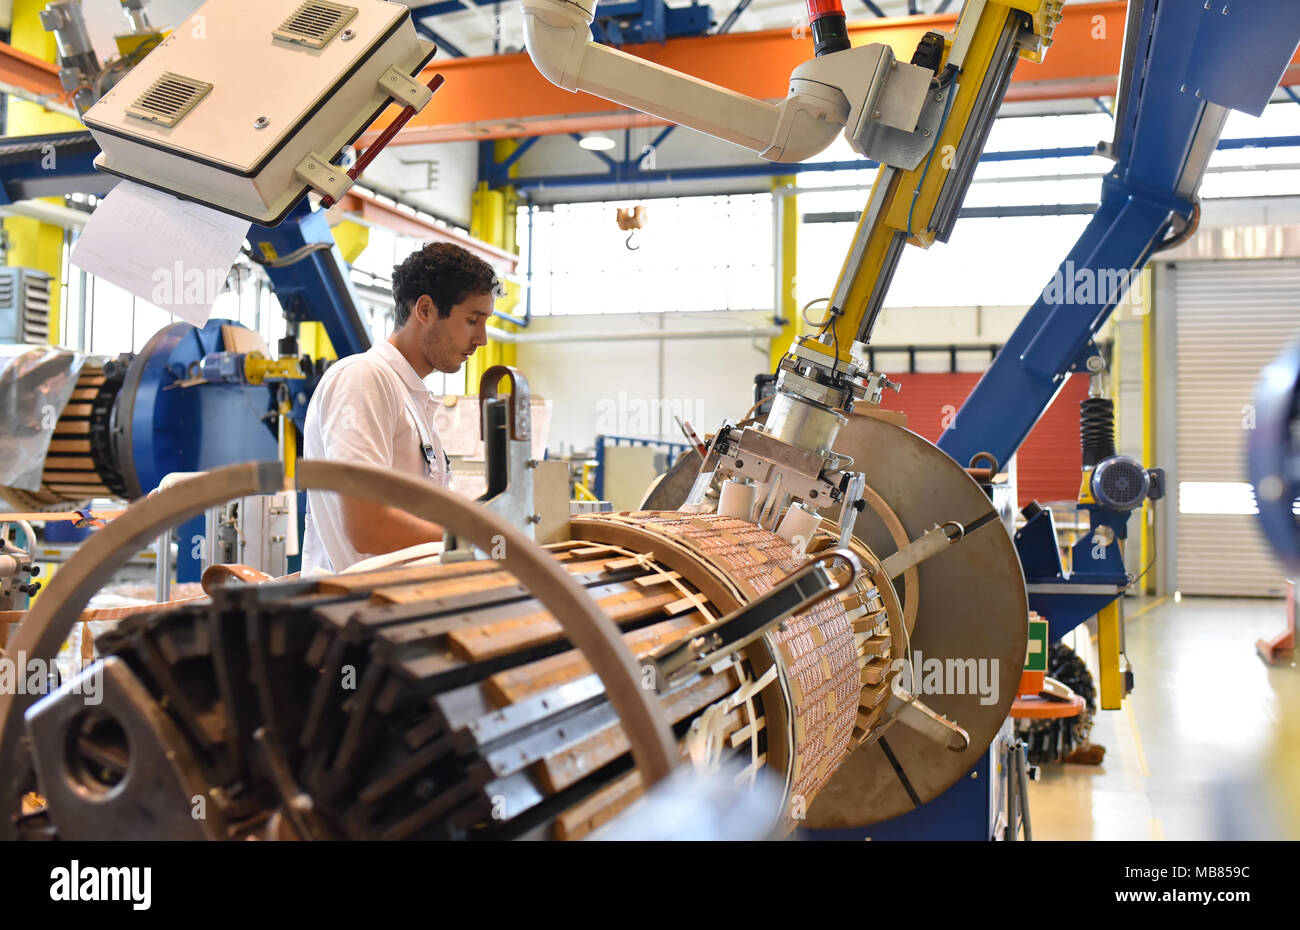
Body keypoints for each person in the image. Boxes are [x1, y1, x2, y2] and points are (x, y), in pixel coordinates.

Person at [300, 241, 495, 574]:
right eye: (472, 320)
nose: (482, 339)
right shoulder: (362, 379)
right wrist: (479, 538)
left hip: (403, 601)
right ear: (425, 310)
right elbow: (368, 526)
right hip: (357, 609)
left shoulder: (410, 395)